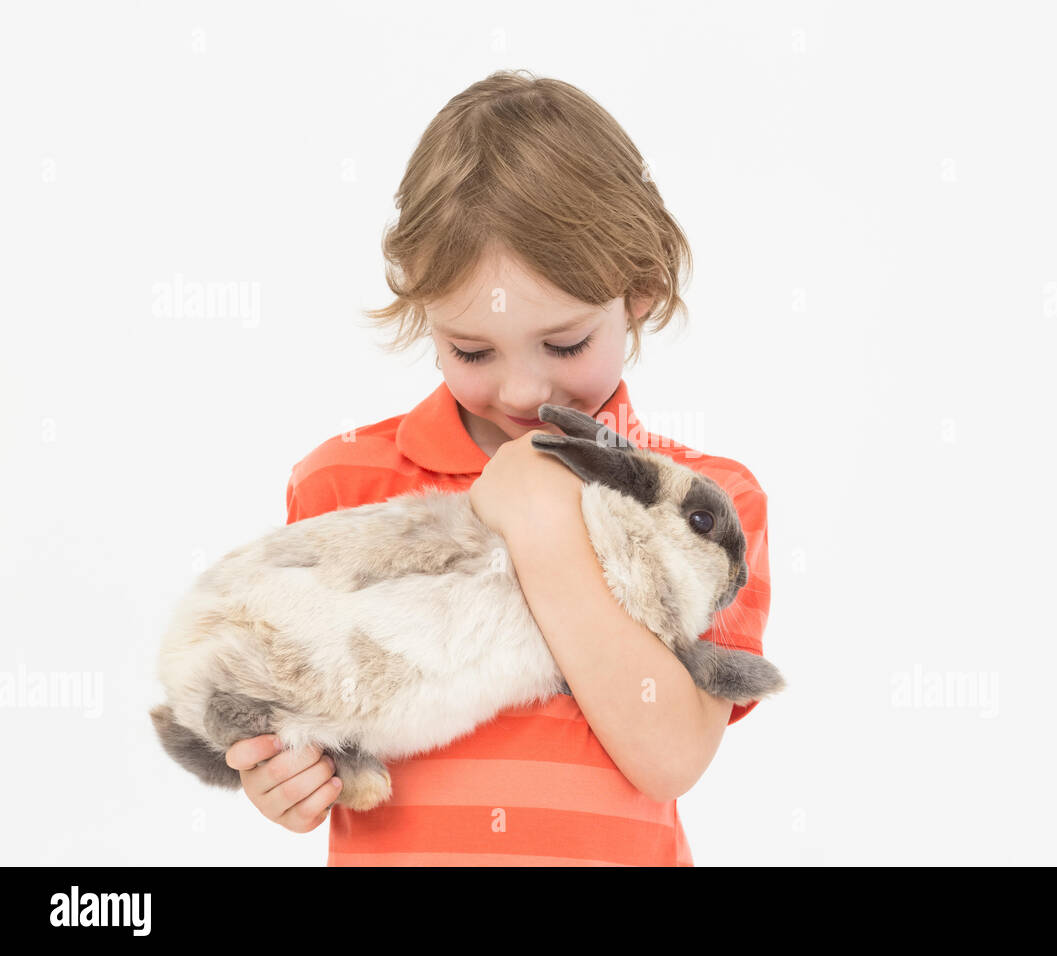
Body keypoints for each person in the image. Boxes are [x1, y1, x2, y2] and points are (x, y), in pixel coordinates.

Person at [222, 69, 773, 866]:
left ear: (642, 291)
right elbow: (305, 710)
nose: (521, 389)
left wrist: (542, 512)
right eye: (471, 350)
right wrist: (289, 776)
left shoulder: (704, 508)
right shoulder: (341, 484)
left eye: (565, 343)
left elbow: (669, 757)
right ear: (423, 314)